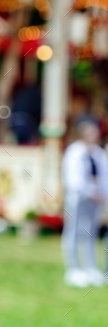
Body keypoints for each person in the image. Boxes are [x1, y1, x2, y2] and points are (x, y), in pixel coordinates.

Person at [62, 119, 108, 287]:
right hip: (78, 197)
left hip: (95, 199)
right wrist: (90, 191)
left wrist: (102, 193)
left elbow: (104, 176)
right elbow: (74, 179)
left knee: (90, 233)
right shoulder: (74, 152)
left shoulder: (98, 154)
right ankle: (73, 268)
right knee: (73, 231)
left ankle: (90, 267)